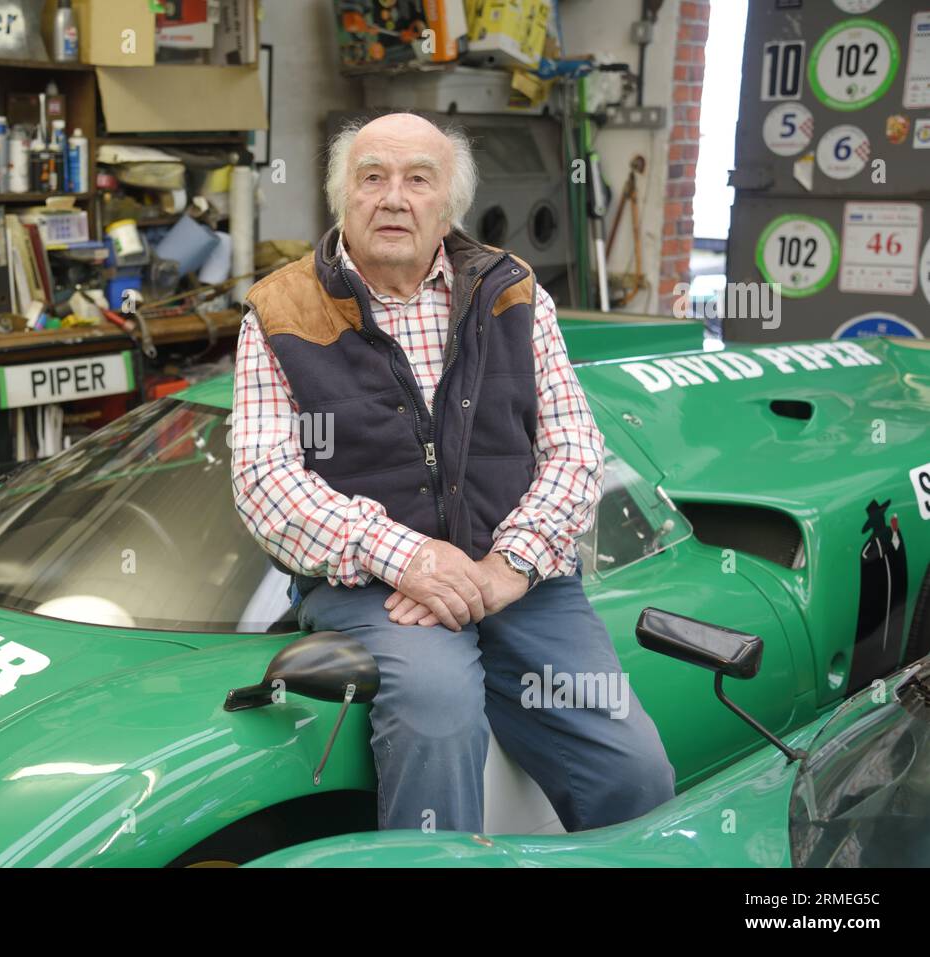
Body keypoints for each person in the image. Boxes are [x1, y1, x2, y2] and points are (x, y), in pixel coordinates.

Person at [230, 112, 675, 834]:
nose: (393, 197)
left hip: (521, 582)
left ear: (449, 206)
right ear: (341, 196)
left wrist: (509, 565)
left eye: (417, 179)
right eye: (371, 177)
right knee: (435, 711)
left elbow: (574, 450)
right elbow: (264, 479)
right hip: (371, 586)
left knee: (632, 767)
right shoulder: (281, 310)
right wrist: (405, 555)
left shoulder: (514, 292)